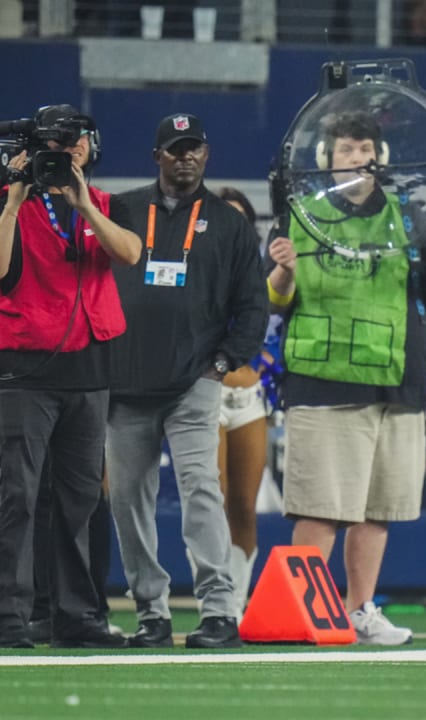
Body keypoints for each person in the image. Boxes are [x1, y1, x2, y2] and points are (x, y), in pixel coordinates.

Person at [266, 111, 426, 645]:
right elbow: (277, 301)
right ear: (326, 162)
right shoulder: (300, 216)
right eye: (344, 150)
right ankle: (299, 614)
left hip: (397, 381)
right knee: (320, 508)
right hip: (324, 381)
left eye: (363, 148)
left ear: (379, 157)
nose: (355, 157)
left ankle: (360, 610)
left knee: (379, 510)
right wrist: (283, 271)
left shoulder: (413, 217)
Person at [107, 114, 266, 649]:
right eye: (175, 149)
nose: (185, 157)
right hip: (125, 384)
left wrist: (222, 363)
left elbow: (253, 305)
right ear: (157, 157)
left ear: (207, 154)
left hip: (193, 383)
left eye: (194, 148)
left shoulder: (229, 223)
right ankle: (151, 612)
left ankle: (219, 610)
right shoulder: (123, 208)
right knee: (128, 499)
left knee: (202, 489)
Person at [0, 104, 141, 649]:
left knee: (81, 500)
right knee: (17, 497)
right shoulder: (9, 202)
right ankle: (9, 617)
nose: (68, 152)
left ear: (91, 149)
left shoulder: (107, 204)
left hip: (88, 371)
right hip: (23, 370)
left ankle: (77, 616)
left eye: (77, 142)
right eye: (56, 146)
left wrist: (81, 203)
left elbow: (130, 253)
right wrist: (13, 201)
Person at [212, 186, 278, 615]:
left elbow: (278, 329)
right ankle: (211, 597)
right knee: (210, 500)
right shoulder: (196, 273)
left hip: (251, 397)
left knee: (243, 505)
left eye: (241, 220)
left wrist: (270, 362)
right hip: (207, 393)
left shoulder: (260, 277)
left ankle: (234, 605)